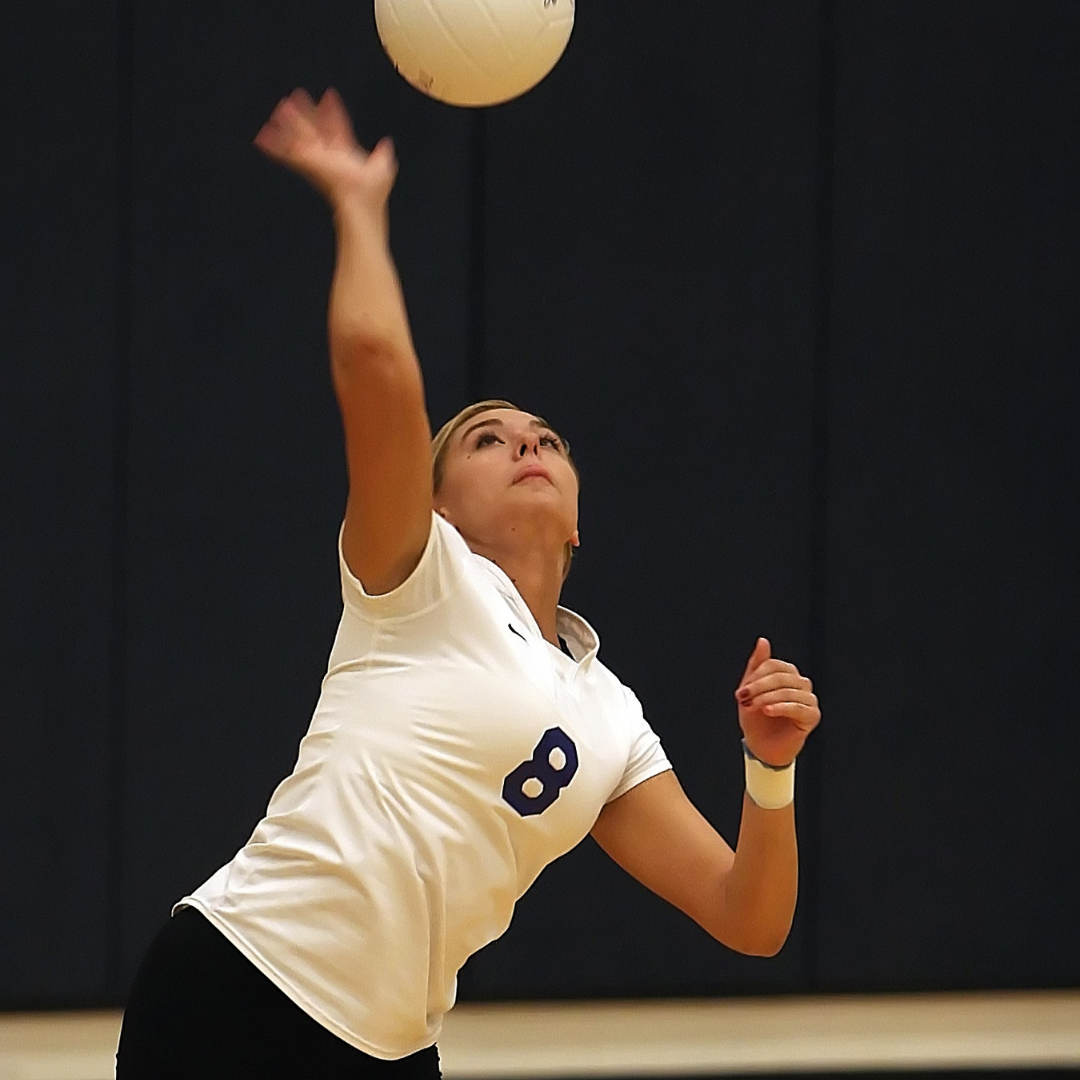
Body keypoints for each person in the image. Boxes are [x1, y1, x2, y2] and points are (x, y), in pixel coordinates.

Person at [115, 88, 821, 1080]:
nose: (525, 444)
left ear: (577, 518)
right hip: (241, 988)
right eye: (488, 439)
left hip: (393, 1050)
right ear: (439, 504)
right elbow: (372, 362)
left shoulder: (609, 715)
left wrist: (770, 770)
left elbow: (750, 918)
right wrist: (358, 207)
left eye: (546, 440)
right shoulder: (419, 579)